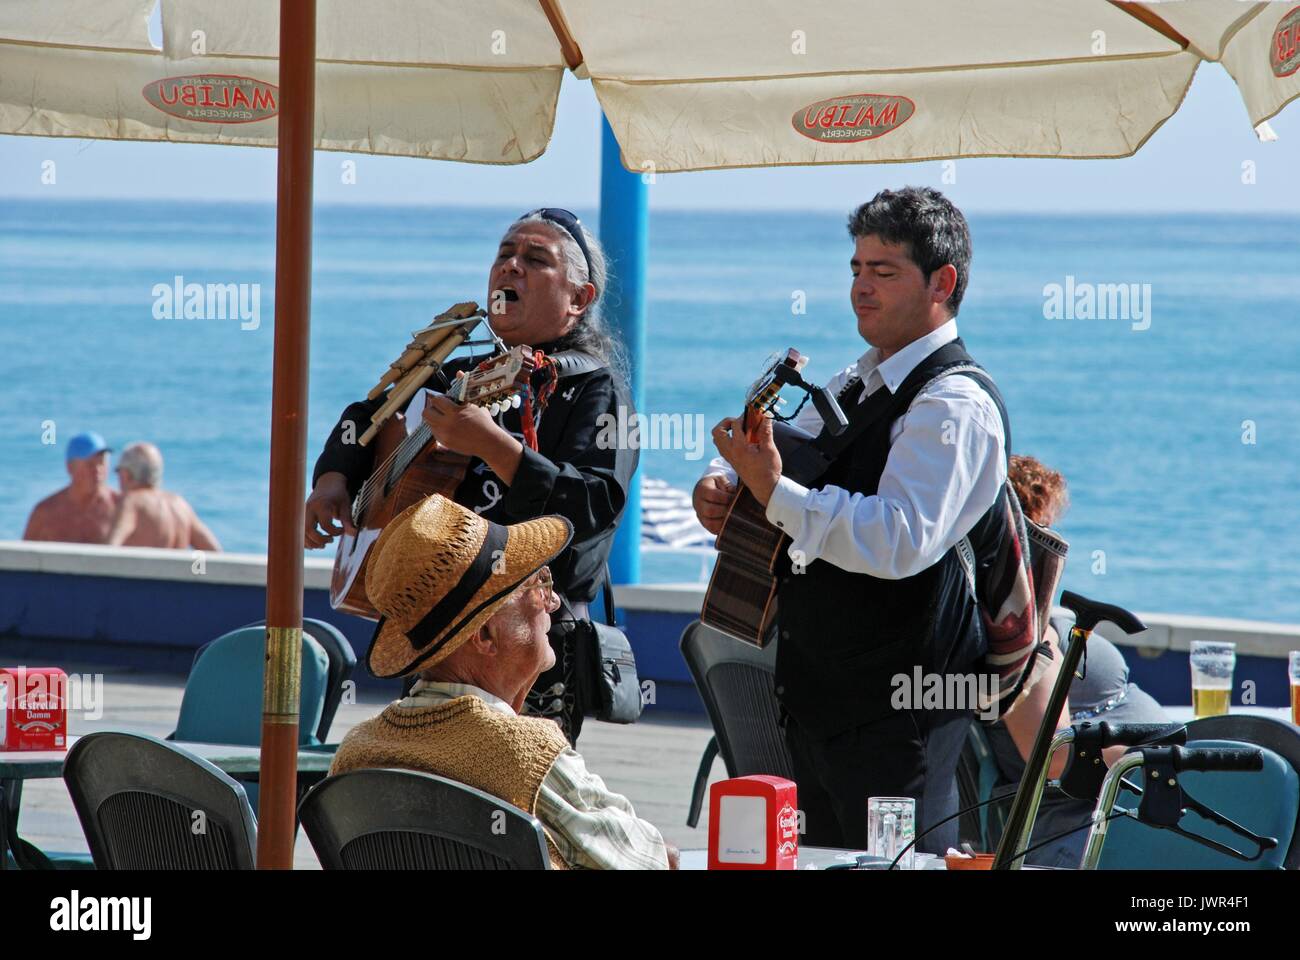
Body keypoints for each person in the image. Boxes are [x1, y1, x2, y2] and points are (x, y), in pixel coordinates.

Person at [696, 187, 1012, 853]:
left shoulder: (953, 404)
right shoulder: (855, 379)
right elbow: (786, 465)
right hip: (821, 705)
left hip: (901, 721)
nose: (860, 288)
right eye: (856, 269)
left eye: (884, 271)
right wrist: (728, 491)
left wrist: (771, 491)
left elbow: (899, 539)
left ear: (942, 282)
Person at [307, 209, 637, 745]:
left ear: (579, 299)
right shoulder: (464, 372)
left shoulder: (595, 390)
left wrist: (492, 446)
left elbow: (594, 505)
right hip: (433, 632)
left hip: (532, 640)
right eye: (504, 255)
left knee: (510, 794)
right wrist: (333, 481)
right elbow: (366, 417)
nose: (511, 267)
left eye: (535, 260)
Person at [330, 495, 675, 870]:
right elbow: (644, 861)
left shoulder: (356, 755)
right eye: (538, 584)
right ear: (486, 636)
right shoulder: (525, 756)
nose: (554, 602)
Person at [986, 454, 1169, 868]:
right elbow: (1054, 757)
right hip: (1093, 821)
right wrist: (1161, 753)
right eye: (1045, 530)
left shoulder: (1015, 620)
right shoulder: (1027, 632)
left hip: (1120, 804)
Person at [106, 442, 222, 550]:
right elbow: (214, 551)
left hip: (144, 571)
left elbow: (111, 548)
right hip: (178, 572)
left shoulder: (133, 502)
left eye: (119, 472)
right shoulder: (180, 505)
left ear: (127, 475)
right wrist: (197, 570)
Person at [23, 431, 120, 544]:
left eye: (101, 462)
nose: (97, 470)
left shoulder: (119, 508)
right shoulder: (46, 513)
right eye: (90, 464)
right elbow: (23, 557)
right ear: (70, 467)